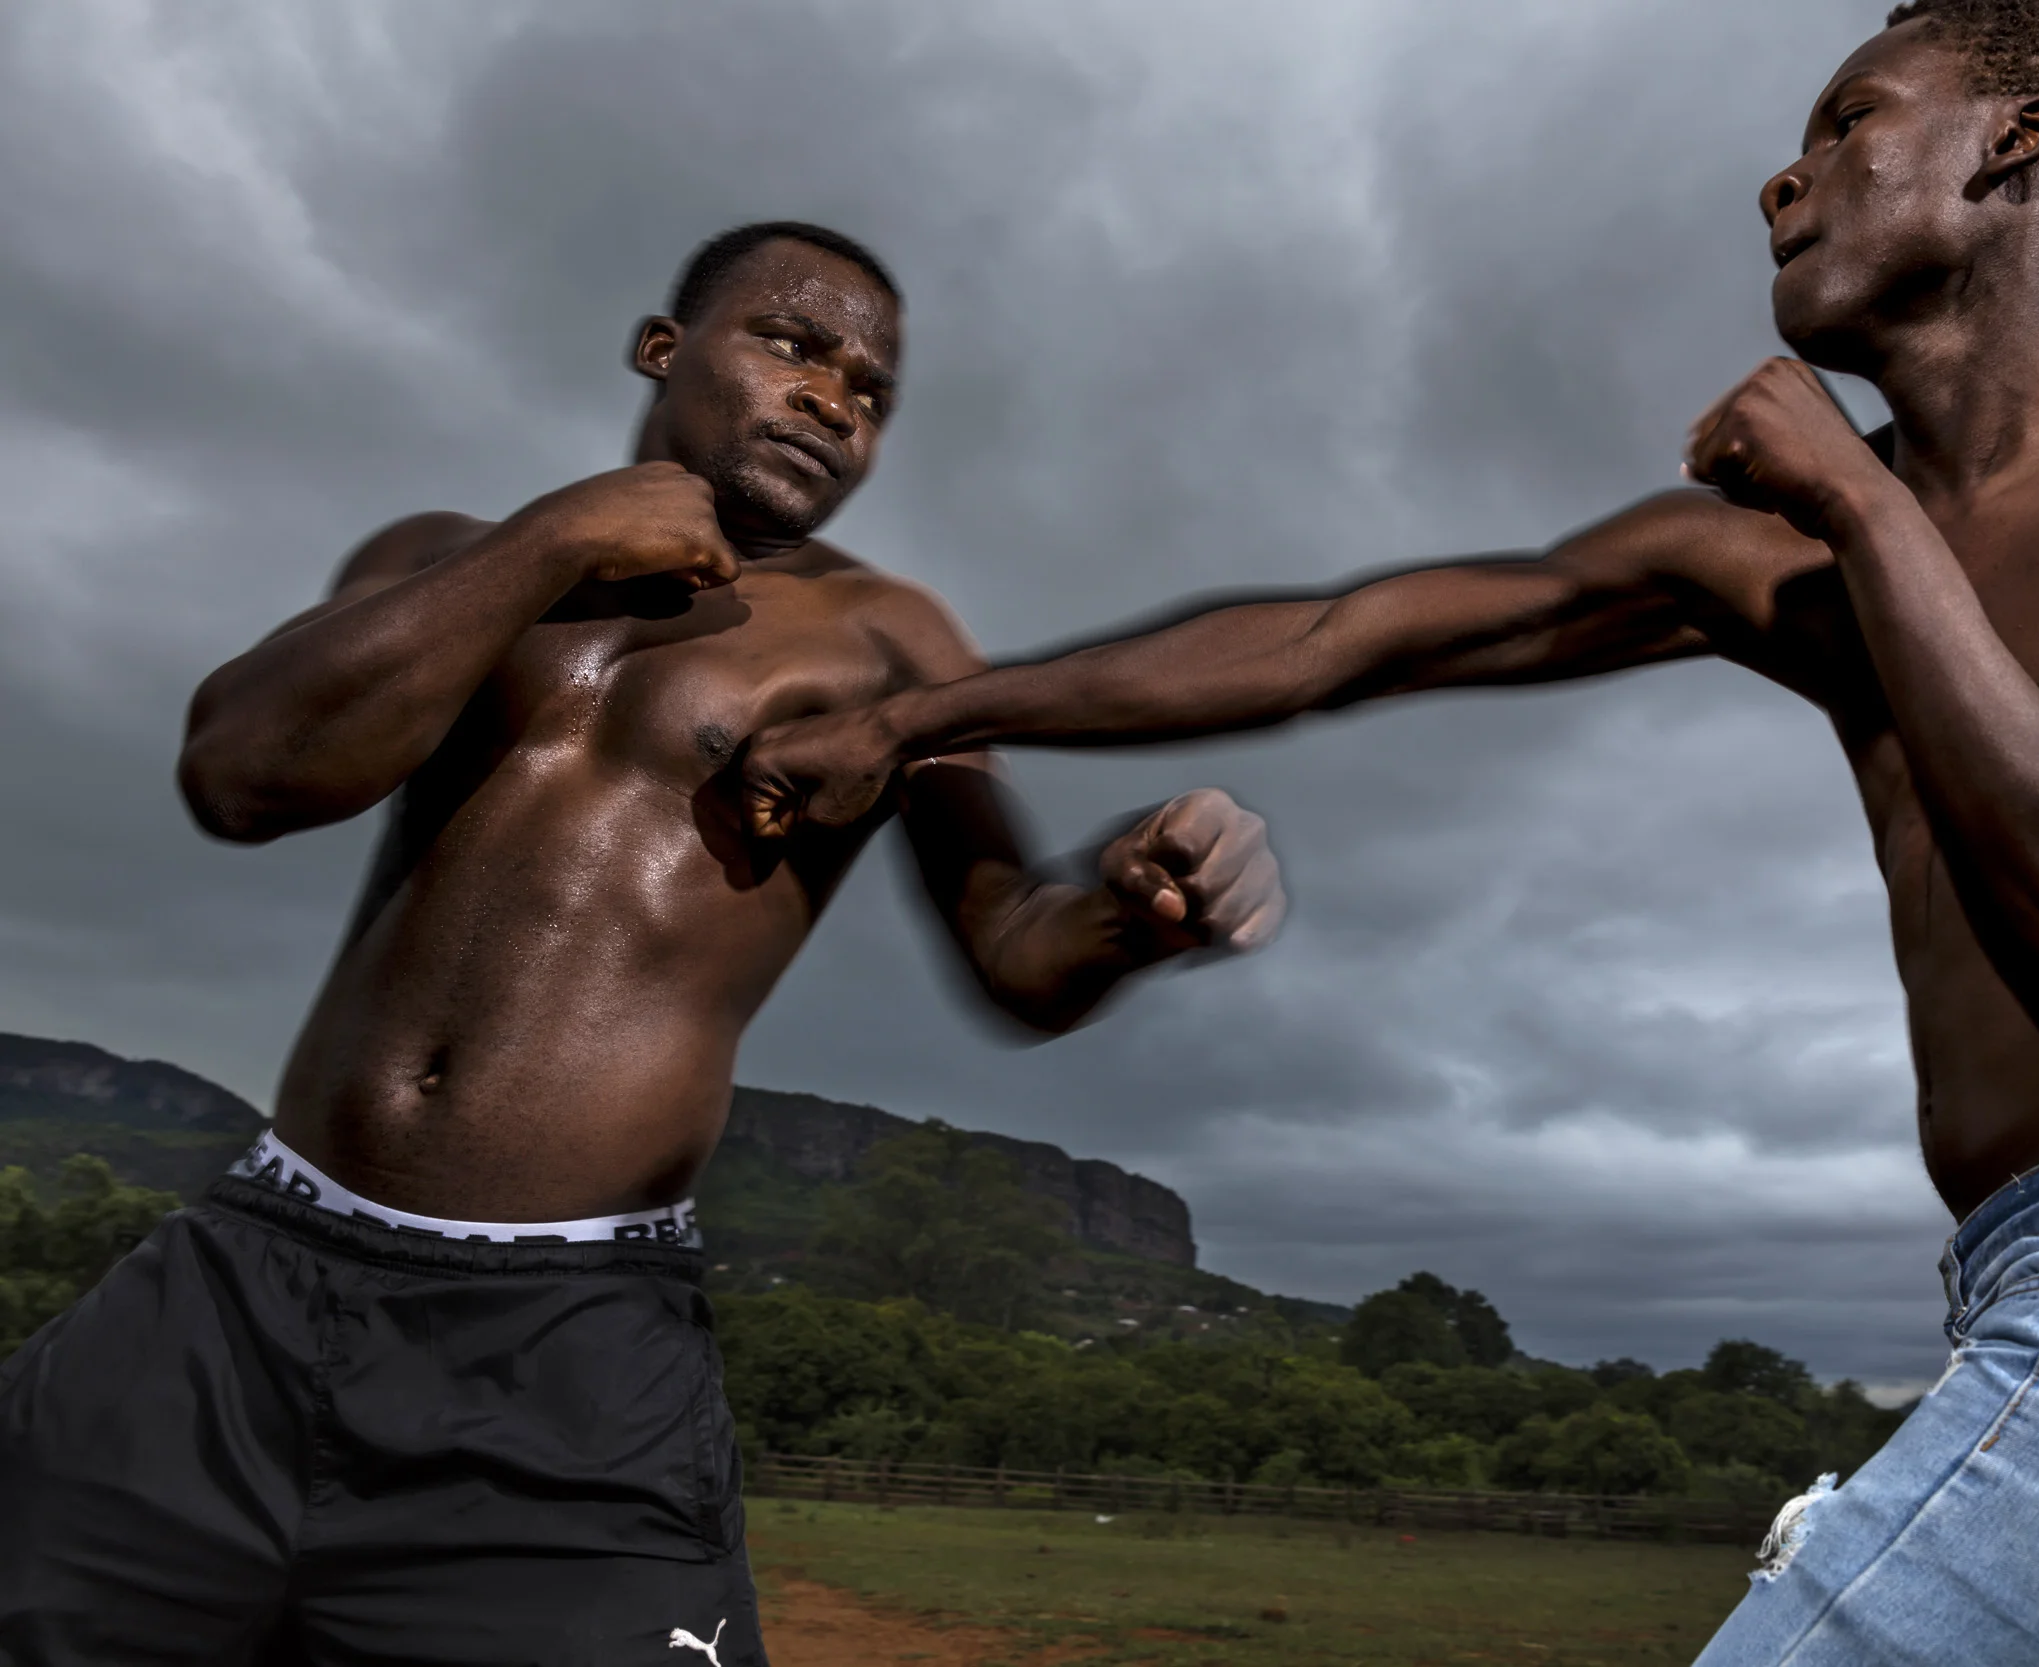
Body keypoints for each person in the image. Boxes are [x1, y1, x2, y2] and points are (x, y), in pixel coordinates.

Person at [737, 4, 2039, 1660]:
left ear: (2014, 140)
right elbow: (1336, 637)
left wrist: (1860, 502)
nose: (1782, 176)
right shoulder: (1782, 562)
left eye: (1851, 120)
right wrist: (911, 720)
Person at [0, 221, 1282, 1666]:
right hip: (241, 1286)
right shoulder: (443, 560)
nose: (834, 399)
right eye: (792, 345)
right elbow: (244, 771)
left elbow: (1015, 943)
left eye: (870, 388)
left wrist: (1134, 906)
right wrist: (554, 538)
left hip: (563, 1342)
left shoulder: (892, 641)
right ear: (663, 349)